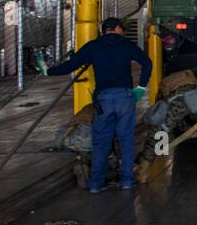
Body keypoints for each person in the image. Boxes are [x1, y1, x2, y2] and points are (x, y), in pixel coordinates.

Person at [47, 16, 152, 193]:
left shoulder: (93, 46)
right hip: (125, 97)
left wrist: (48, 71)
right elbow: (147, 63)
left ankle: (96, 184)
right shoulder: (126, 44)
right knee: (126, 141)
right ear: (118, 29)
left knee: (101, 142)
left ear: (104, 30)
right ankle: (127, 181)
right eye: (122, 30)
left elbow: (69, 66)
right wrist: (141, 87)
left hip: (103, 99)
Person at [137, 69, 197, 179]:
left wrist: (186, 129)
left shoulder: (165, 82)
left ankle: (143, 170)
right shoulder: (195, 76)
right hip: (194, 97)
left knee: (157, 132)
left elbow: (168, 113)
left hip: (173, 100)